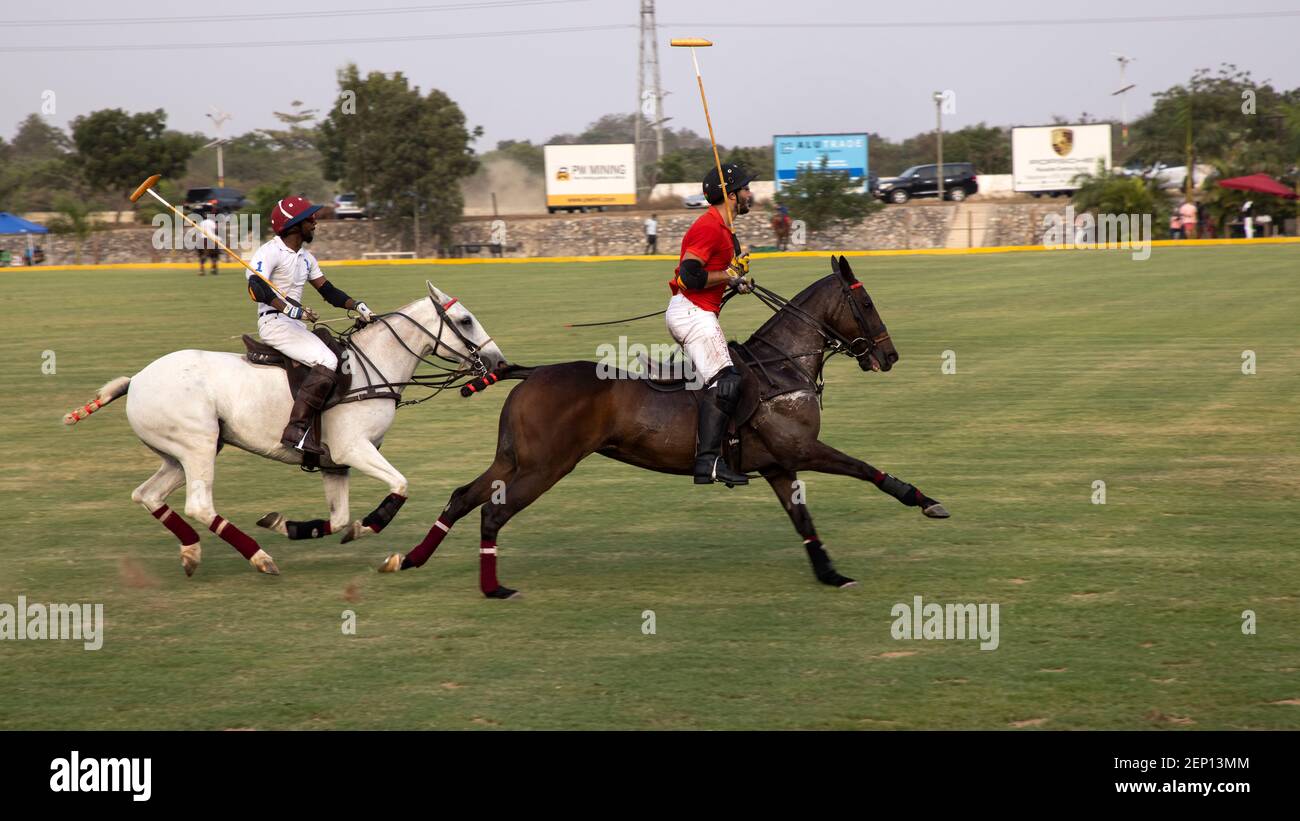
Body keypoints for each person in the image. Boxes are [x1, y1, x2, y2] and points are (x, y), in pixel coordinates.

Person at [246, 195, 377, 454]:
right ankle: (296, 430)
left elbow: (328, 291)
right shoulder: (269, 252)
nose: (315, 222)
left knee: (338, 353)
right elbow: (255, 288)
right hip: (275, 324)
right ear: (294, 225)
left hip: (295, 326)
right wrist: (288, 308)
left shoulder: (306, 258)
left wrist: (356, 305)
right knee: (327, 362)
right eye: (310, 218)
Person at [665, 163, 756, 486]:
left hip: (699, 311)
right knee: (726, 381)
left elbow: (719, 275)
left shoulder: (727, 232)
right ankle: (708, 463)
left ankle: (727, 448)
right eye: (745, 189)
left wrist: (737, 281)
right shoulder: (708, 227)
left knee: (729, 377)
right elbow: (689, 275)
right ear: (731, 195)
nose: (750, 194)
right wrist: (731, 274)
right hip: (691, 311)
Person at [198, 209, 220, 275]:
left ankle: (201, 270)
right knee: (215, 254)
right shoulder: (212, 222)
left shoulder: (201, 222)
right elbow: (216, 230)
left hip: (202, 238)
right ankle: (213, 268)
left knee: (202, 255)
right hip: (211, 238)